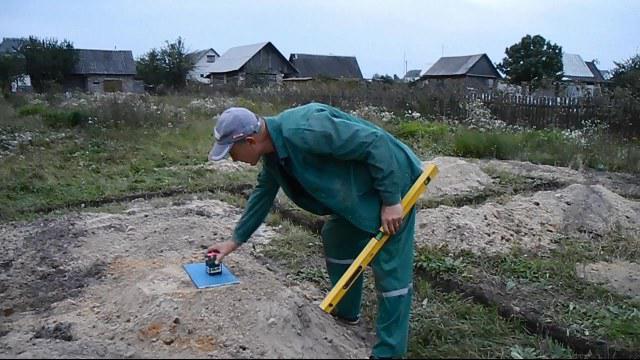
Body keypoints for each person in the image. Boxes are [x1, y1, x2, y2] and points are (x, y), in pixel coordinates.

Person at [207, 102, 423, 359]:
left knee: (391, 270)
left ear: (251, 141)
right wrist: (234, 241)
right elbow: (263, 194)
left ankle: (389, 352)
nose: (233, 158)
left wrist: (391, 200)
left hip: (394, 181)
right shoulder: (274, 155)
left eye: (232, 151)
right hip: (360, 189)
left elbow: (375, 143)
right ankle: (346, 314)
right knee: (336, 236)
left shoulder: (305, 129)